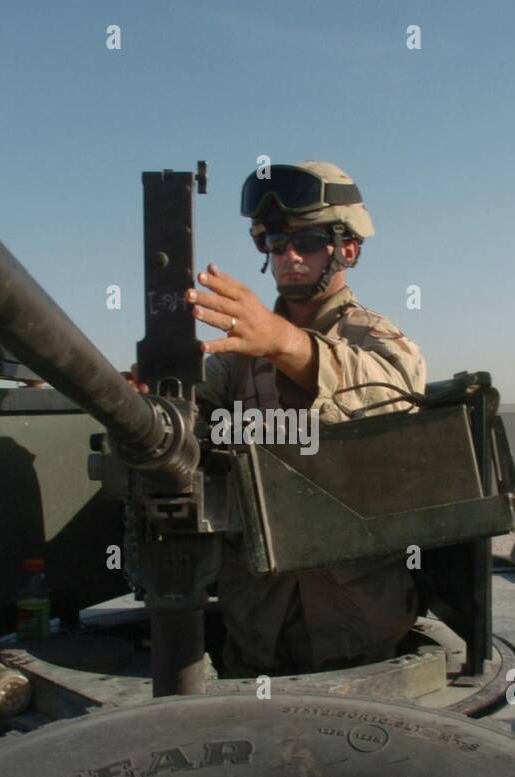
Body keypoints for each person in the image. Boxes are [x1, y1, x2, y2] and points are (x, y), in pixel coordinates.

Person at [130, 161, 427, 675]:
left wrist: (285, 342)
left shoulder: (373, 336)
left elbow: (398, 395)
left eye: (307, 242)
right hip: (256, 609)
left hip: (353, 612)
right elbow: (193, 407)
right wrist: (148, 399)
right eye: (274, 243)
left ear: (348, 248)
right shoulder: (240, 353)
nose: (289, 257)